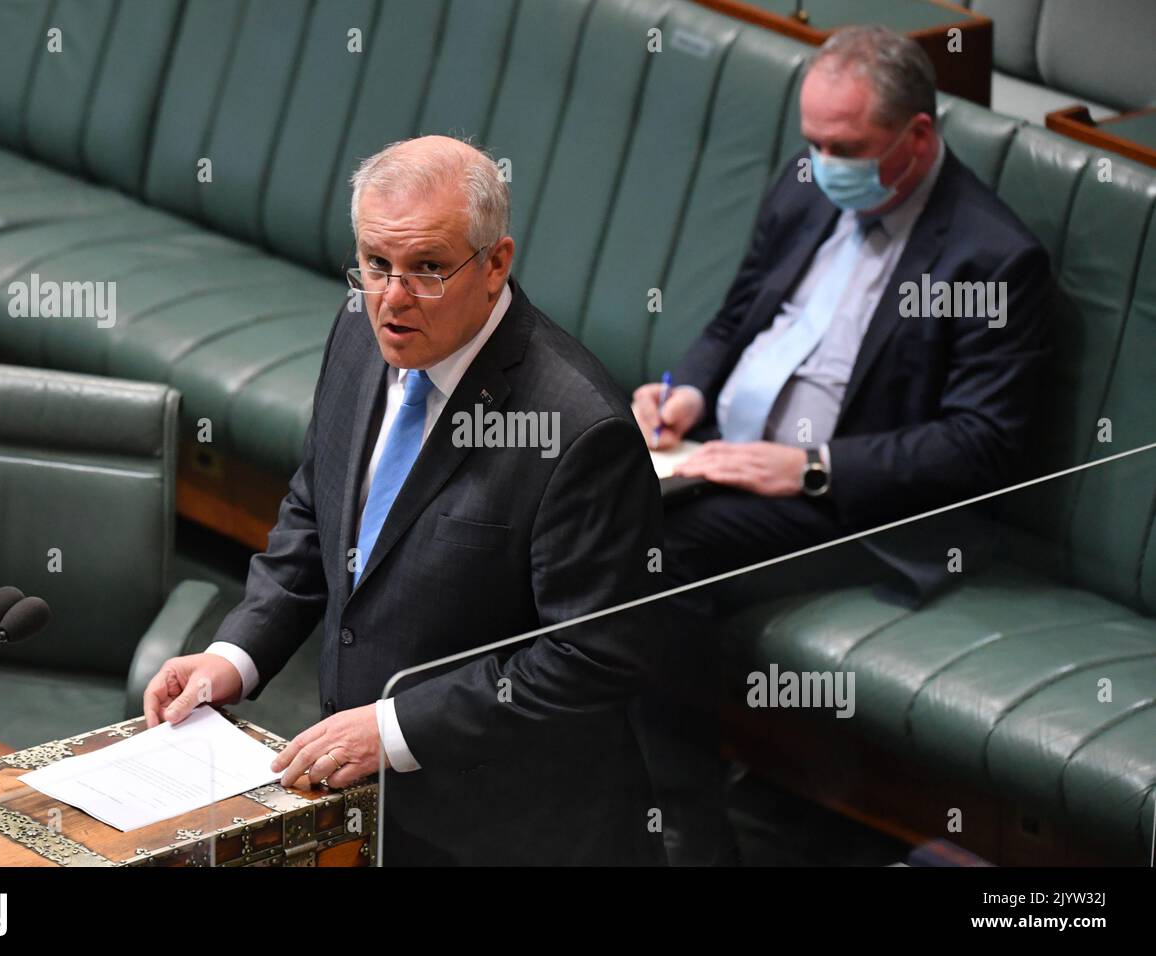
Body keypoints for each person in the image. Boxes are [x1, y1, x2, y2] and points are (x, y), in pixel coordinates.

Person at [145, 135, 666, 866]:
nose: (391, 297)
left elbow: (594, 655)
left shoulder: (578, 430)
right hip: (371, 814)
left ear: (495, 264)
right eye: (375, 264)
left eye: (426, 269)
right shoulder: (359, 328)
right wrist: (234, 656)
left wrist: (394, 730)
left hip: (508, 831)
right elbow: (314, 510)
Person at [629, 25, 1050, 865]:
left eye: (843, 147)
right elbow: (738, 314)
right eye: (812, 142)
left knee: (651, 557)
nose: (821, 162)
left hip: (853, 508)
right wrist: (686, 392)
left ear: (917, 137)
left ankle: (685, 827)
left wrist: (812, 466)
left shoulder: (992, 259)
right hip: (718, 455)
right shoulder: (807, 187)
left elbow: (983, 447)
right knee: (565, 483)